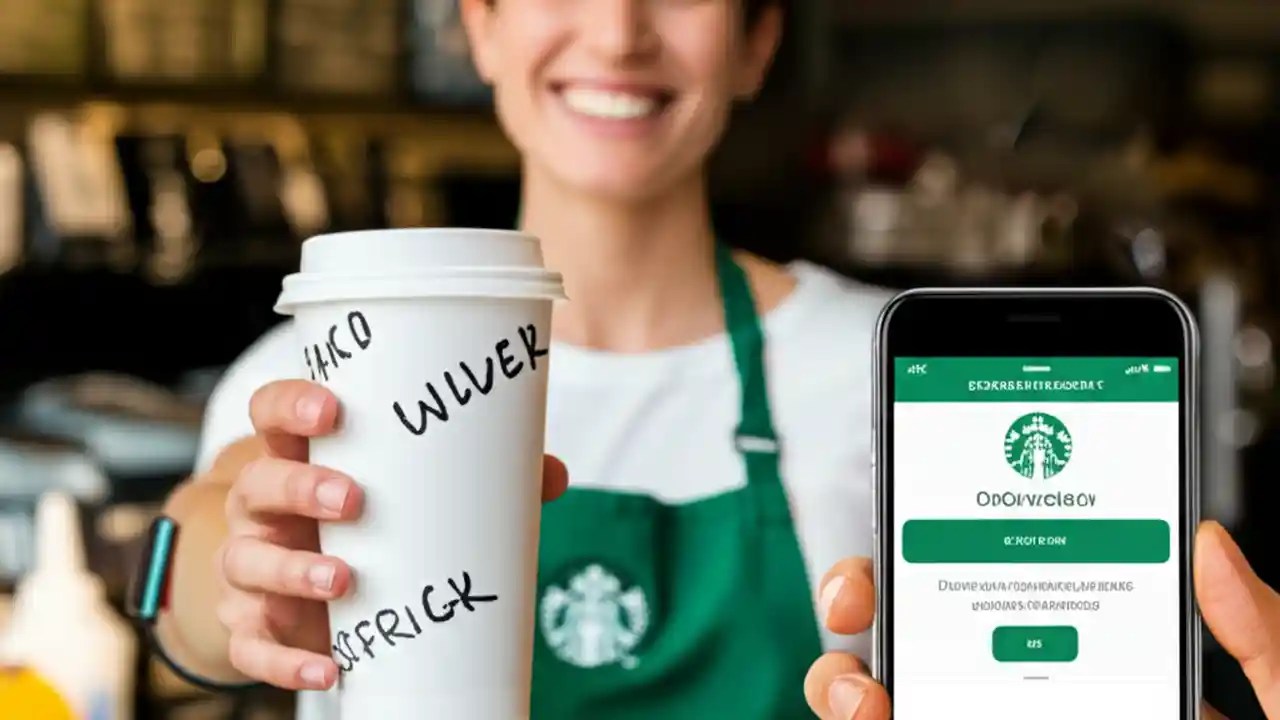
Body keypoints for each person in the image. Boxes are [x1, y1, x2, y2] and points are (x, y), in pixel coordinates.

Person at [152, 0, 1280, 718]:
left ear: (756, 42)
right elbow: (184, 573)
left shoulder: (896, 372)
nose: (617, 32)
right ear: (479, 24)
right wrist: (234, 587)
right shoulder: (333, 363)